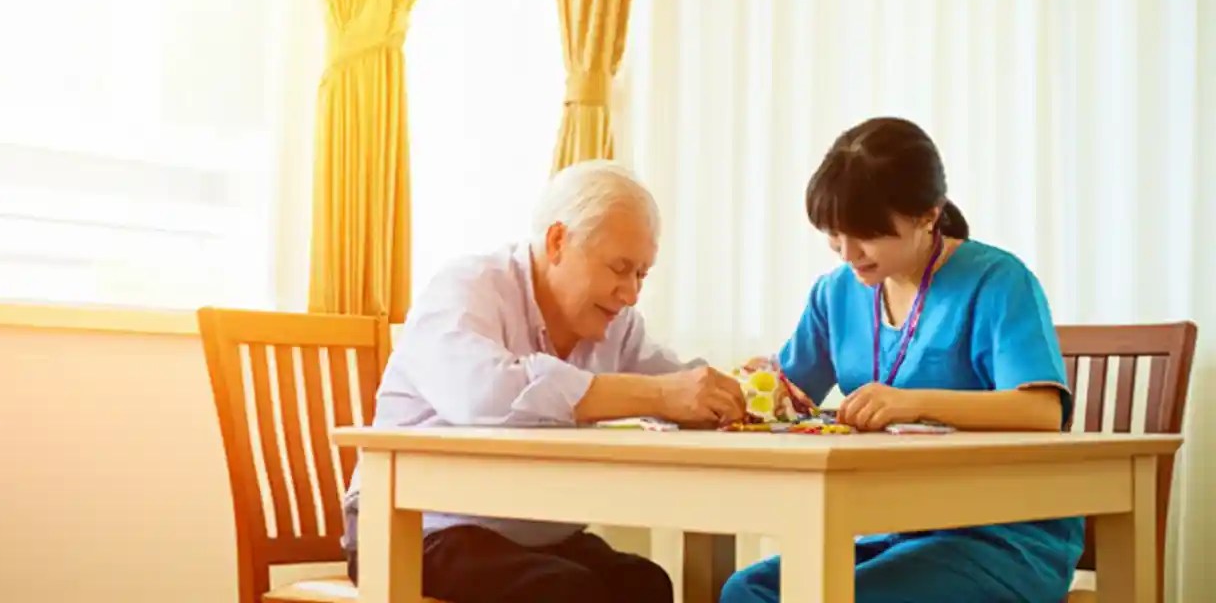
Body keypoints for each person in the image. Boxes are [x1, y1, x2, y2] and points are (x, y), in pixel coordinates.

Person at [341, 159, 747, 603]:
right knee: (564, 592)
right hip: (415, 526)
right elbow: (485, 396)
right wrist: (658, 395)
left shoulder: (619, 323)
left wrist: (727, 394)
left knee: (645, 585)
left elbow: (674, 383)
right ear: (558, 241)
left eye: (641, 275)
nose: (630, 293)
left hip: (527, 529)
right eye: (619, 268)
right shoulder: (467, 287)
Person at [721, 117, 1082, 603]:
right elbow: (785, 392)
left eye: (865, 233)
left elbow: (1040, 411)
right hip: (895, 530)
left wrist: (911, 403)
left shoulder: (998, 281)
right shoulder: (835, 294)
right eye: (835, 234)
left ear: (928, 215)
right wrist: (743, 388)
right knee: (748, 591)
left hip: (1000, 536)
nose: (848, 252)